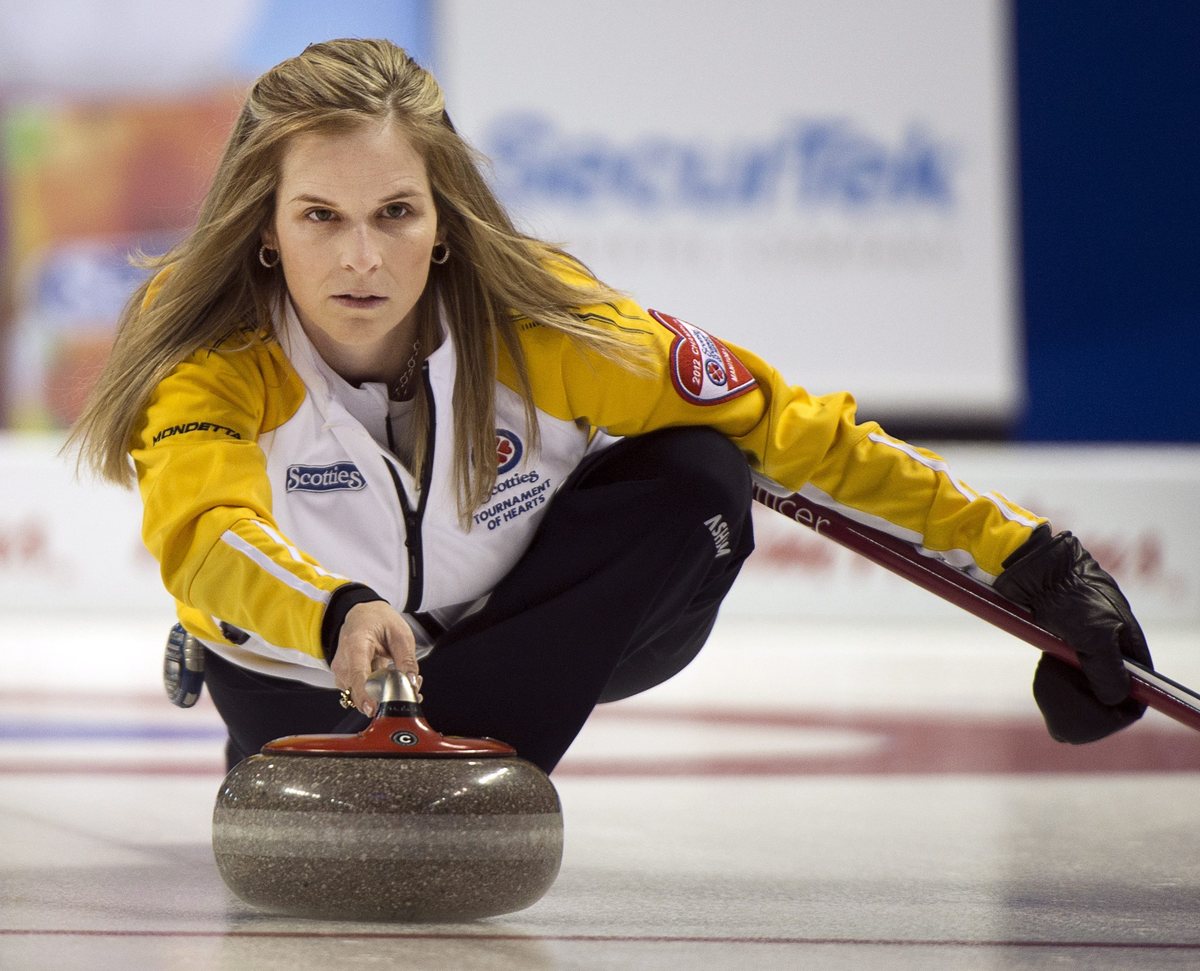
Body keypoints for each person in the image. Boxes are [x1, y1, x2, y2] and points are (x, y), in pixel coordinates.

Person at [68, 39, 1152, 775]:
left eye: (396, 212)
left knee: (705, 471)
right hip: (305, 682)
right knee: (278, 612)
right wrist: (335, 613)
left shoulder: (548, 325)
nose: (362, 258)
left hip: (512, 646)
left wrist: (1040, 564)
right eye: (320, 216)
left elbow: (797, 429)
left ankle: (475, 756)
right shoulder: (212, 350)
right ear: (265, 226)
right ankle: (385, 734)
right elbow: (205, 534)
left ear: (445, 218)